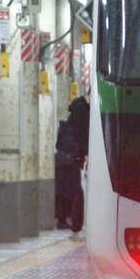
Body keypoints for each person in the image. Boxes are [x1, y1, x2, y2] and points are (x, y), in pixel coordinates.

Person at [55, 91, 90, 233]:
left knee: (67, 189)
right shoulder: (81, 109)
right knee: (75, 190)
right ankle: (75, 223)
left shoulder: (78, 108)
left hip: (68, 156)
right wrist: (85, 152)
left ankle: (68, 221)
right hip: (72, 156)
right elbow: (81, 133)